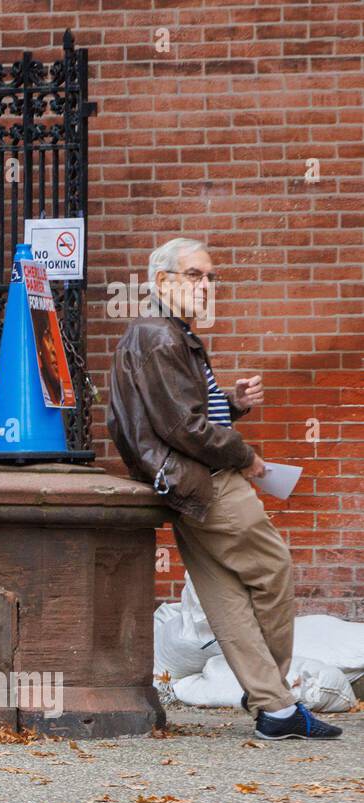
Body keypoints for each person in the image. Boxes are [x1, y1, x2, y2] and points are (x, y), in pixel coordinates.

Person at [107, 237, 341, 741]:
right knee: (274, 570)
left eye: (212, 277)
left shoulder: (164, 334)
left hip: (183, 486)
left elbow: (180, 414)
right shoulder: (162, 338)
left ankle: (275, 710)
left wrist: (231, 402)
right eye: (195, 275)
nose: (207, 286)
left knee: (226, 598)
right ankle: (275, 696)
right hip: (209, 483)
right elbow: (184, 428)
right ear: (163, 281)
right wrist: (247, 457)